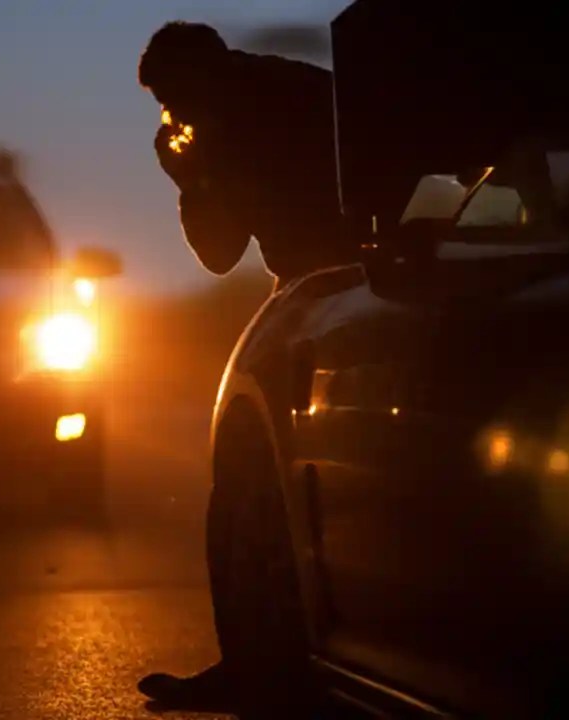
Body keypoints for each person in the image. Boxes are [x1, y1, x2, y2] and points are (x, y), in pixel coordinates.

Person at [135, 21, 352, 712]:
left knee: (254, 486)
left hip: (344, 285)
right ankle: (254, 659)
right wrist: (191, 178)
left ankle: (271, 661)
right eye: (166, 105)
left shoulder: (293, 97)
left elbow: (223, 251)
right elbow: (222, 252)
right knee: (246, 487)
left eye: (176, 98)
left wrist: (201, 172)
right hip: (305, 291)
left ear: (208, 73)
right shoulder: (218, 123)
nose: (175, 116)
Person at [142, 21, 354, 293]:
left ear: (197, 83)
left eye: (173, 103)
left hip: (333, 274)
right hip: (346, 266)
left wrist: (191, 178)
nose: (171, 117)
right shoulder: (286, 85)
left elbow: (220, 256)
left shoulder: (240, 126)